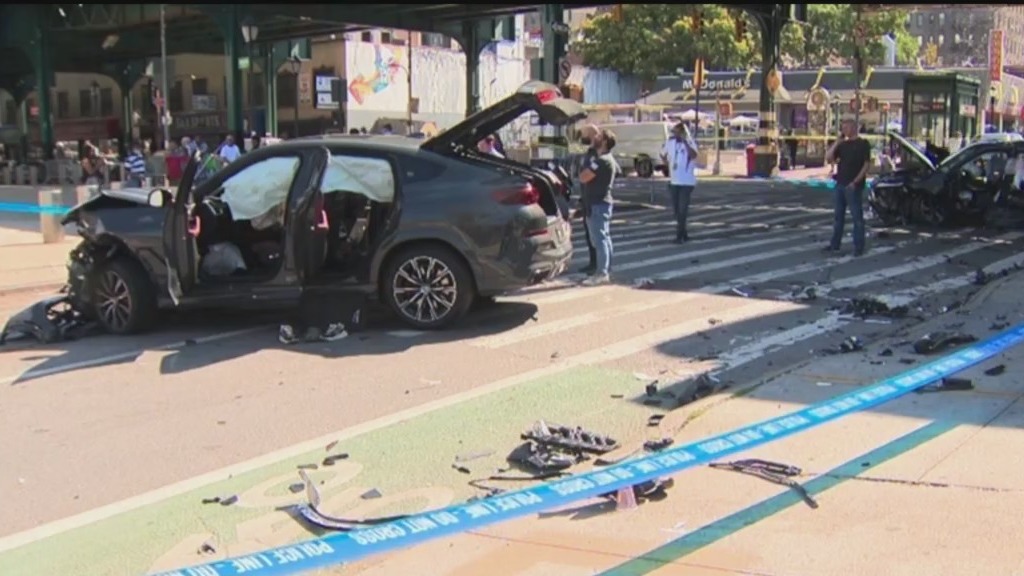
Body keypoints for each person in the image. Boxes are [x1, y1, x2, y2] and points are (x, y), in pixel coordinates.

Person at [824, 119, 872, 257]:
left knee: (857, 217)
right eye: (843, 127)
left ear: (854, 128)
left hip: (853, 185)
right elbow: (829, 158)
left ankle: (858, 246)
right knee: (839, 217)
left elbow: (866, 165)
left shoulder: (863, 144)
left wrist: (856, 181)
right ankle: (835, 244)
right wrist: (837, 143)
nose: (844, 130)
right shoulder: (843, 145)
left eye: (846, 127)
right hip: (840, 183)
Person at [578, 128, 617, 286]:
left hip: (598, 203)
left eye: (599, 136)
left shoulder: (602, 161)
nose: (596, 137)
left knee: (600, 239)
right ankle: (606, 269)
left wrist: (585, 170)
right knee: (604, 238)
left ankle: (602, 273)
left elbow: (583, 177)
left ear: (605, 142)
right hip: (601, 203)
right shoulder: (605, 159)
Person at [660, 122, 699, 243]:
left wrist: (685, 141)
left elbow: (694, 155)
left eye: (678, 132)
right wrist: (667, 163)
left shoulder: (690, 143)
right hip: (674, 181)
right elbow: (662, 154)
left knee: (683, 210)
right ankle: (684, 233)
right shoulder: (670, 143)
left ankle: (679, 236)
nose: (676, 135)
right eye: (675, 132)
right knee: (677, 210)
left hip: (686, 183)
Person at [575, 124, 600, 274]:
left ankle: (597, 264)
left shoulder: (595, 154)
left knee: (595, 234)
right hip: (586, 198)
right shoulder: (589, 153)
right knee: (589, 234)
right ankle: (592, 262)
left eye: (584, 135)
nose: (582, 138)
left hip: (593, 198)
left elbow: (591, 175)